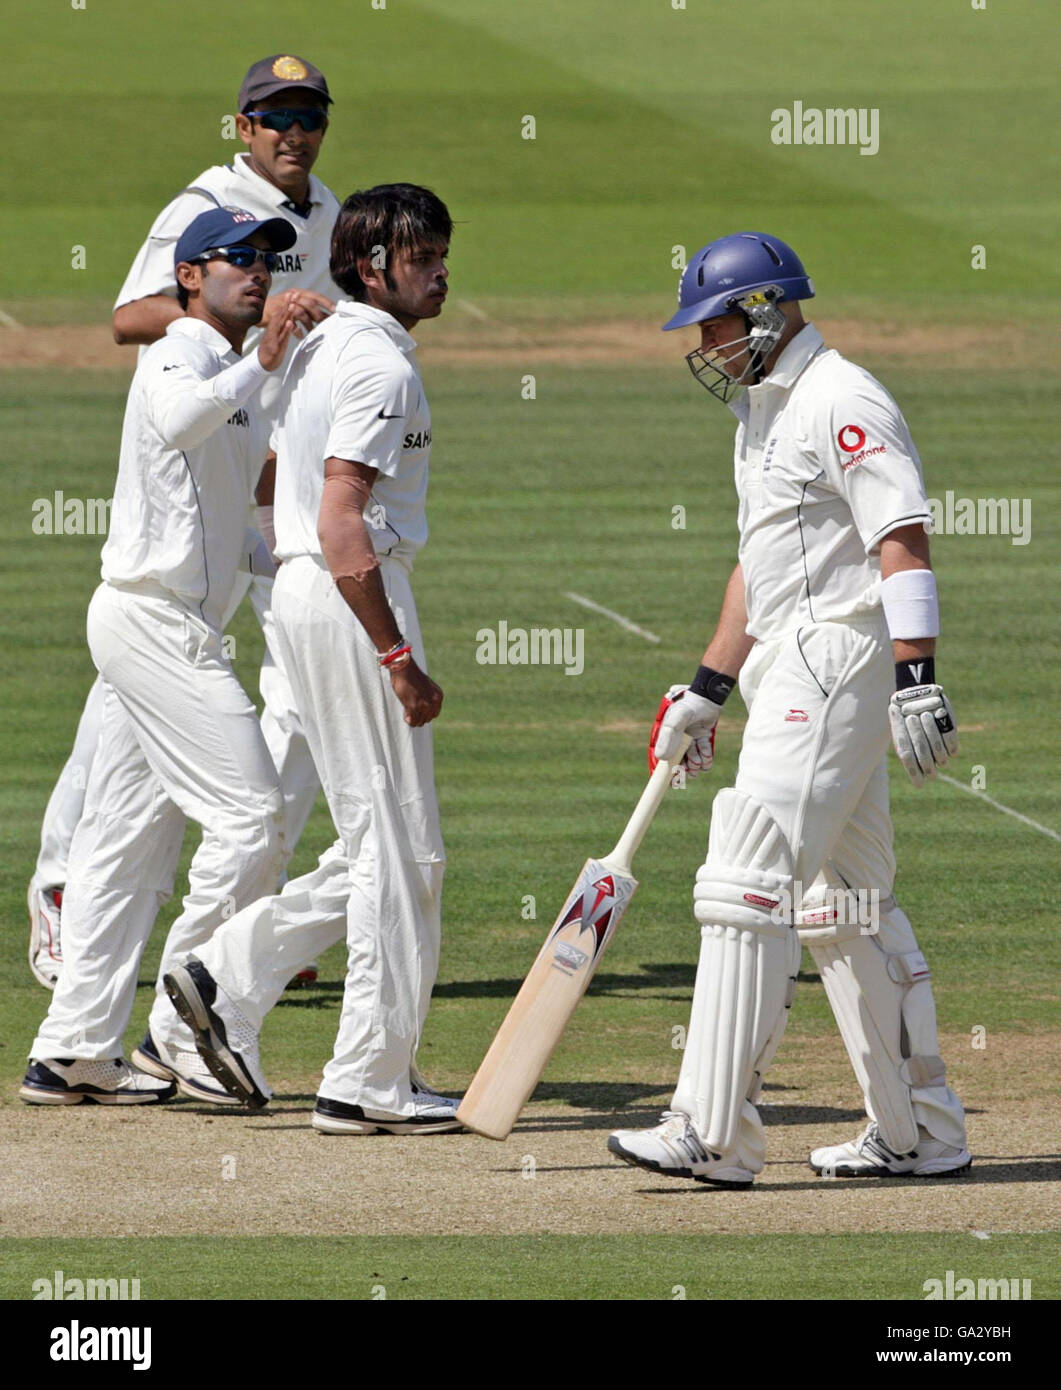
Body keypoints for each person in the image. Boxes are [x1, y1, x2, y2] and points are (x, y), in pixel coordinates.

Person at [607, 232, 971, 1185]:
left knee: (743, 879)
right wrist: (705, 687)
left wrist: (915, 674)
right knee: (846, 906)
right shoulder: (761, 414)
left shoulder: (842, 397)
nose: (707, 343)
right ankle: (918, 1133)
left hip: (832, 658)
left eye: (717, 324)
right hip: (786, 658)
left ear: (766, 312)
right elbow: (759, 568)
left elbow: (900, 536)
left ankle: (709, 1130)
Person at [28, 54, 340, 990]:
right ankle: (62, 891)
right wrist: (253, 323)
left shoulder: (321, 210)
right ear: (242, 125)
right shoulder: (205, 203)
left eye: (308, 114)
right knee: (138, 681)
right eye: (274, 114)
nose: (293, 130)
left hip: (271, 464)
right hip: (206, 456)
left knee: (292, 687)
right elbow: (129, 316)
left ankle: (252, 921)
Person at [165, 184, 463, 1136]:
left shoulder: (320, 348)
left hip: (305, 592)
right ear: (372, 267)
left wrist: (290, 577)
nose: (442, 273)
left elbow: (269, 481)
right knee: (403, 853)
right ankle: (367, 1083)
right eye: (422, 259)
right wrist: (397, 654)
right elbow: (342, 520)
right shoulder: (375, 366)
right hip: (347, 590)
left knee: (379, 845)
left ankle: (226, 970)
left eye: (442, 254)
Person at [20, 209, 299, 1106]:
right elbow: (179, 420)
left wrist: (326, 576)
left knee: (124, 846)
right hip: (152, 620)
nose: (256, 272)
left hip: (170, 621)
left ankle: (72, 1053)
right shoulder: (181, 349)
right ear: (189, 277)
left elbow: (240, 521)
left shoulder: (239, 374)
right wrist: (263, 359)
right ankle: (187, 1018)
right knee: (253, 816)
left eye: (267, 259)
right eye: (236, 260)